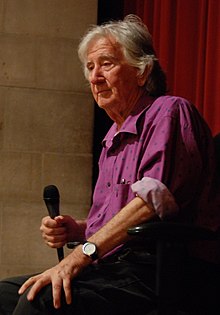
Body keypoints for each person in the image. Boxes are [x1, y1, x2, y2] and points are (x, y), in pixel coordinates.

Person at [0, 14, 218, 315]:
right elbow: (120, 218)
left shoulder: (169, 112)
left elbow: (152, 204)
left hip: (159, 273)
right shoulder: (111, 140)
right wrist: (79, 229)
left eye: (106, 64)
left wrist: (79, 256)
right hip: (112, 269)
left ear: (142, 72)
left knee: (39, 304)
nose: (94, 77)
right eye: (90, 67)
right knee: (4, 296)